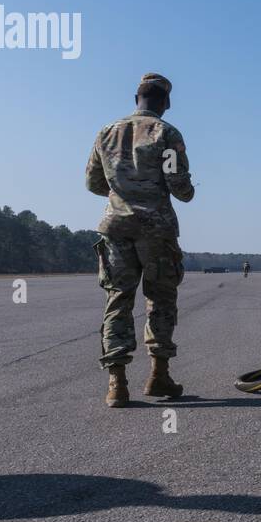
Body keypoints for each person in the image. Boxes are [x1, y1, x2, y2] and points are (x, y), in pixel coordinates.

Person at [85, 73, 195, 408]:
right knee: (160, 300)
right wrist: (185, 191)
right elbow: (179, 186)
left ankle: (116, 383)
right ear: (167, 102)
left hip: (116, 228)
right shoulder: (166, 133)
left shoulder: (107, 132)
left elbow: (92, 182)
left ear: (137, 97)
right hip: (156, 230)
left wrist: (123, 194)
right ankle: (158, 375)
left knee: (118, 299)